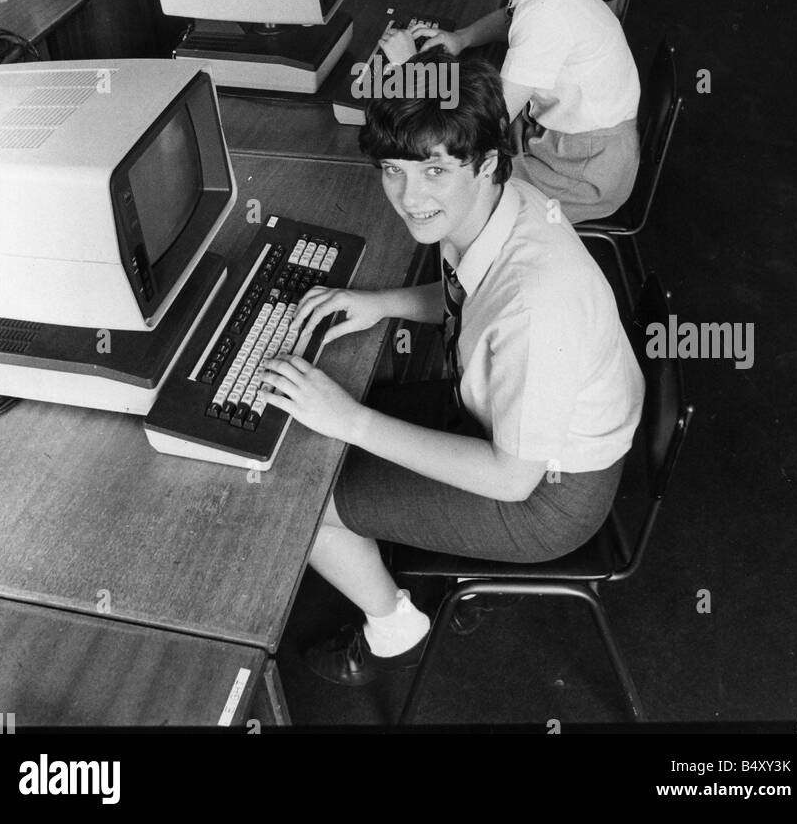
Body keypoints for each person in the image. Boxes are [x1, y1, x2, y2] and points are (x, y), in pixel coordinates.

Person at [261, 60, 645, 684]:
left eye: (434, 170)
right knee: (326, 433)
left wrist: (351, 419)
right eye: (394, 170)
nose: (411, 197)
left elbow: (512, 479)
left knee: (306, 499)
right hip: (508, 422)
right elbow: (471, 296)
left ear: (487, 164)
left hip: (548, 496)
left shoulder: (536, 304)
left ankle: (394, 628)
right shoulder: (497, 205)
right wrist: (379, 304)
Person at [404, 0, 641, 223]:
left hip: (584, 168)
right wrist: (462, 38)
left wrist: (405, 69)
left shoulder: (546, 13)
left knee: (458, 190)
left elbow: (484, 122)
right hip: (578, 141)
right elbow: (511, 16)